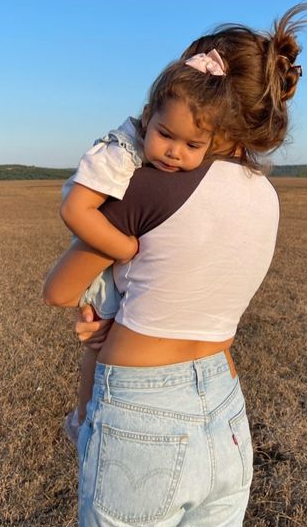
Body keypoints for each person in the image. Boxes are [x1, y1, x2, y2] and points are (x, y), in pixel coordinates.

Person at [42, 4, 307, 527]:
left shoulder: (150, 184)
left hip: (144, 417)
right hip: (227, 411)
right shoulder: (267, 198)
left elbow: (60, 291)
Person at [58, 48, 228, 444]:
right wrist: (125, 247)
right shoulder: (119, 153)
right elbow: (74, 209)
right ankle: (84, 419)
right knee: (101, 340)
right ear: (147, 116)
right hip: (98, 246)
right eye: (166, 135)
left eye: (192, 146)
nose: (175, 153)